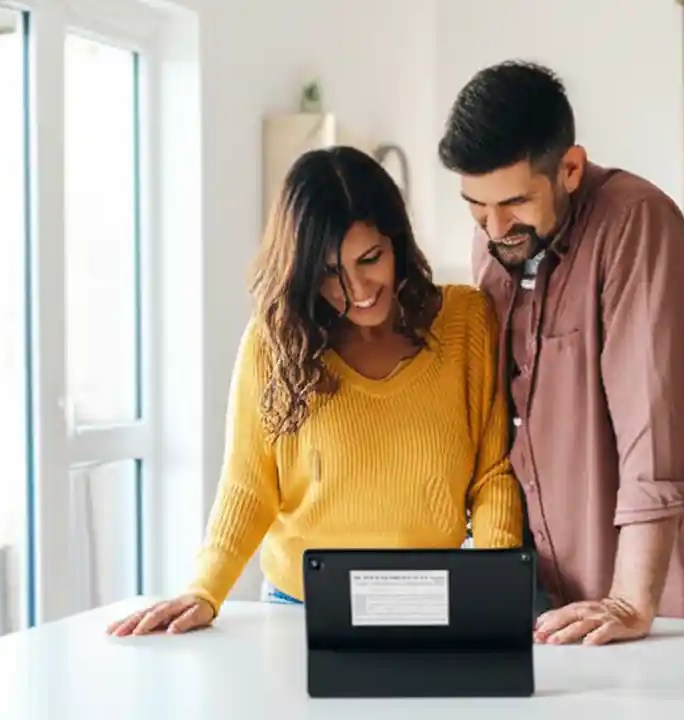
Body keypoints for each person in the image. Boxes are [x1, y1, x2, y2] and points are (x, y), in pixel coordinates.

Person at [108, 146, 522, 636]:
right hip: (297, 609)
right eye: (330, 272)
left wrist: (498, 589)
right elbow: (248, 485)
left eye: (371, 258)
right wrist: (205, 588)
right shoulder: (273, 344)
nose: (358, 289)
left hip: (431, 603)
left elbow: (492, 474)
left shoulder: (466, 322)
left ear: (399, 244)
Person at [438, 60, 684, 646]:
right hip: (550, 599)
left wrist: (630, 599)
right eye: (476, 207)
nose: (494, 226)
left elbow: (656, 427)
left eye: (514, 202)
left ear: (570, 168)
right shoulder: (499, 240)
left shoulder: (637, 224)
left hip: (654, 607)